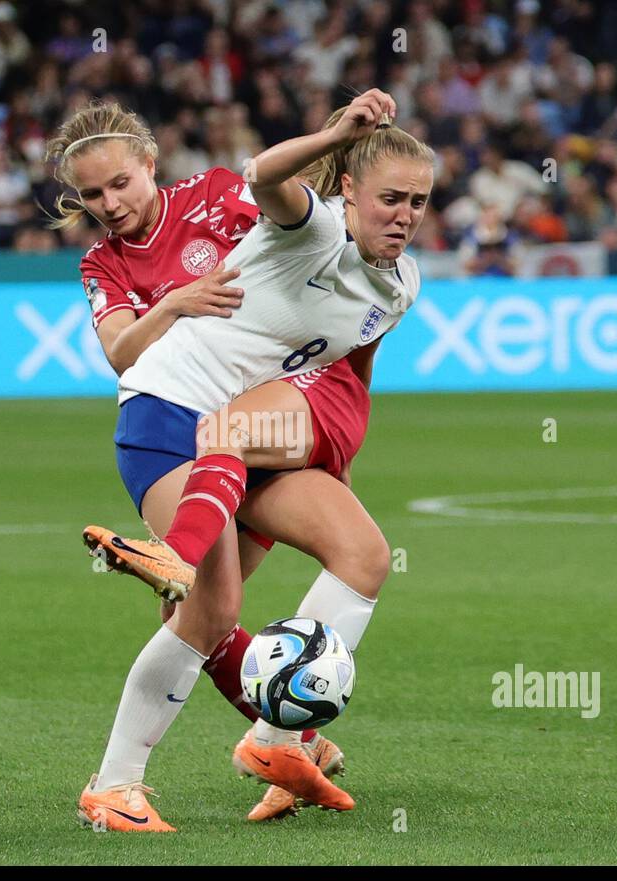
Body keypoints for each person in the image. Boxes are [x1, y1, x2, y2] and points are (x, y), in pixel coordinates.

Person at [59, 91, 434, 830]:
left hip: (253, 416)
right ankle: (114, 786)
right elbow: (267, 176)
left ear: (149, 165)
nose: (406, 213)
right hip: (169, 410)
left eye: (418, 201)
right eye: (391, 197)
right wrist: (335, 134)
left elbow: (347, 369)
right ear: (352, 192)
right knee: (211, 609)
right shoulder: (306, 226)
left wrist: (337, 464)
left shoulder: (401, 284)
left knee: (362, 552)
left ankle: (276, 738)